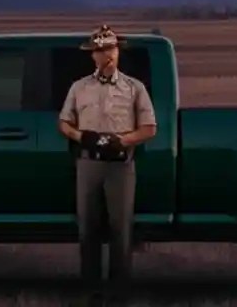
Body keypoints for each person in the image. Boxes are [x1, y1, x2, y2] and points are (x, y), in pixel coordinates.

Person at [58, 25, 157, 287]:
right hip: (88, 164)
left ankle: (118, 290)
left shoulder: (134, 88)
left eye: (112, 49)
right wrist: (82, 137)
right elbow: (64, 123)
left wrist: (122, 141)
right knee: (87, 229)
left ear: (118, 51)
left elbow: (149, 128)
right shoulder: (79, 88)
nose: (108, 54)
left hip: (120, 166)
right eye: (101, 50)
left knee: (120, 230)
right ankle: (90, 287)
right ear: (93, 55)